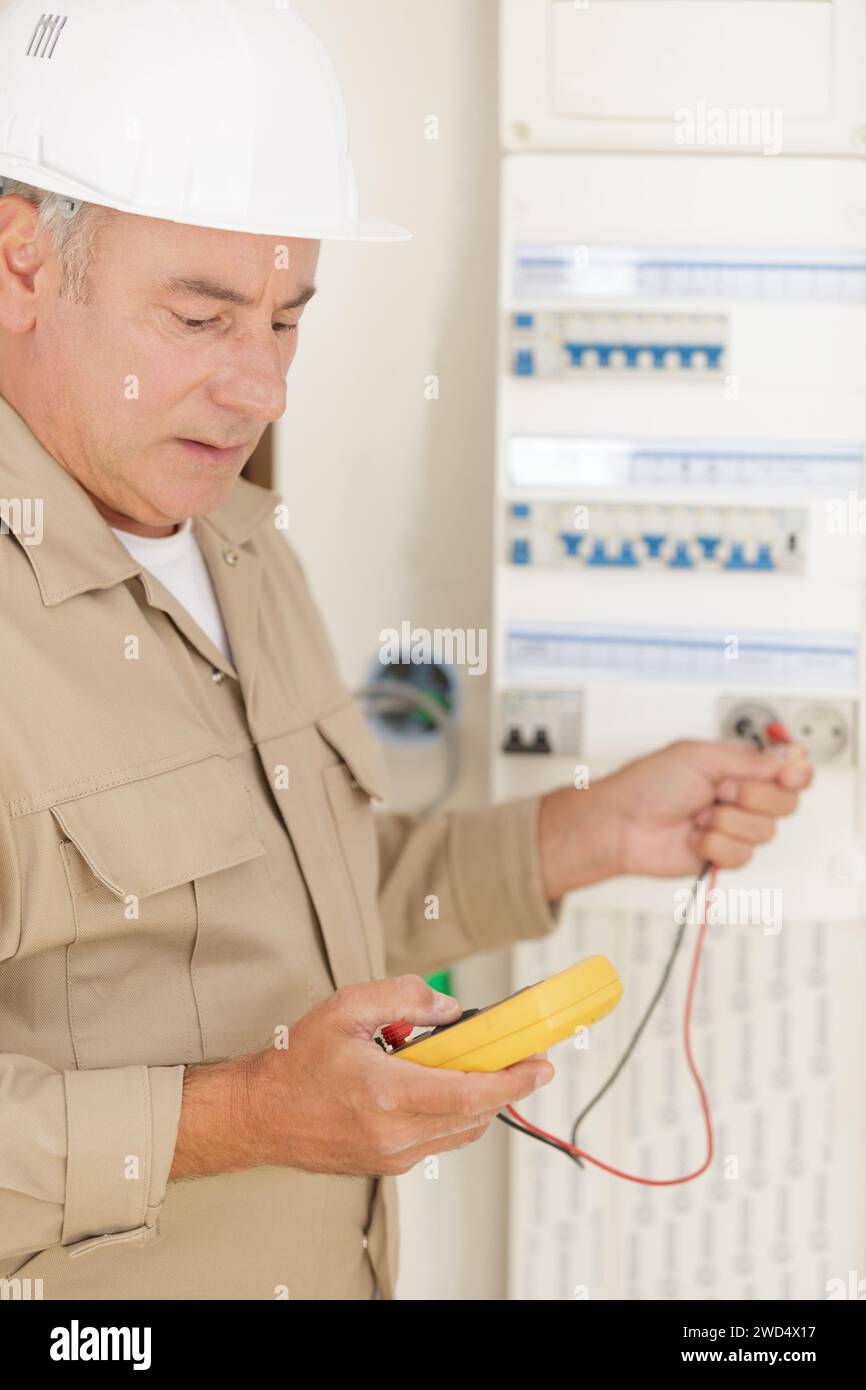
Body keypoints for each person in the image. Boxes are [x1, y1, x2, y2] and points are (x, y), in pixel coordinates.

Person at [0, 0, 812, 1301]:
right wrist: (249, 1114)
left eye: (286, 317)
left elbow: (314, 902)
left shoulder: (235, 541)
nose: (263, 387)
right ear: (23, 262)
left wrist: (581, 832)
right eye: (202, 319)